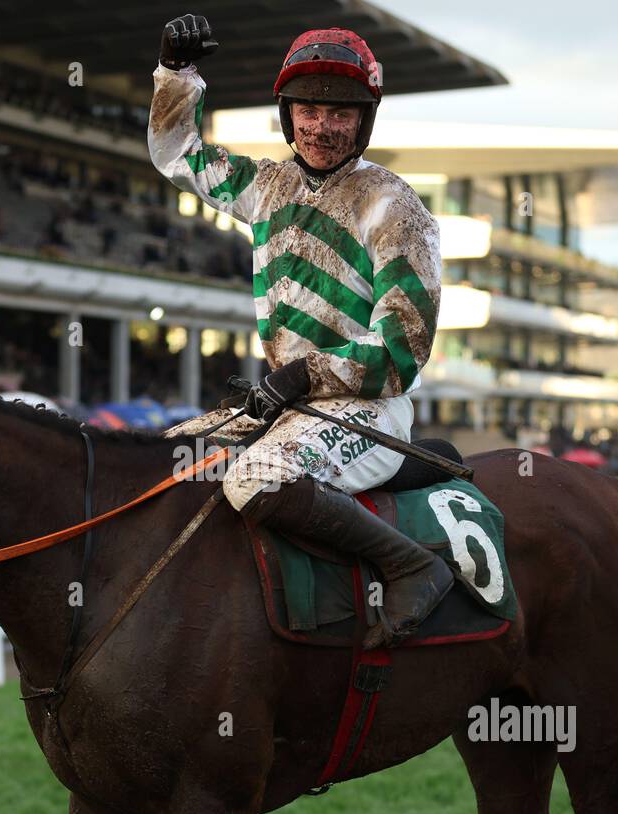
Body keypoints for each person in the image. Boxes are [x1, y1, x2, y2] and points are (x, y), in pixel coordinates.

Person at [149, 14, 449, 647]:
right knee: (167, 460)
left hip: (369, 410)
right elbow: (176, 155)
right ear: (288, 115)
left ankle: (411, 565)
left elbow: (402, 351)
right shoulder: (267, 184)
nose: (321, 127)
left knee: (255, 480)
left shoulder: (399, 209)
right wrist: (177, 74)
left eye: (340, 113)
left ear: (364, 121)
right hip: (291, 403)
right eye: (308, 110)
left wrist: (300, 374)